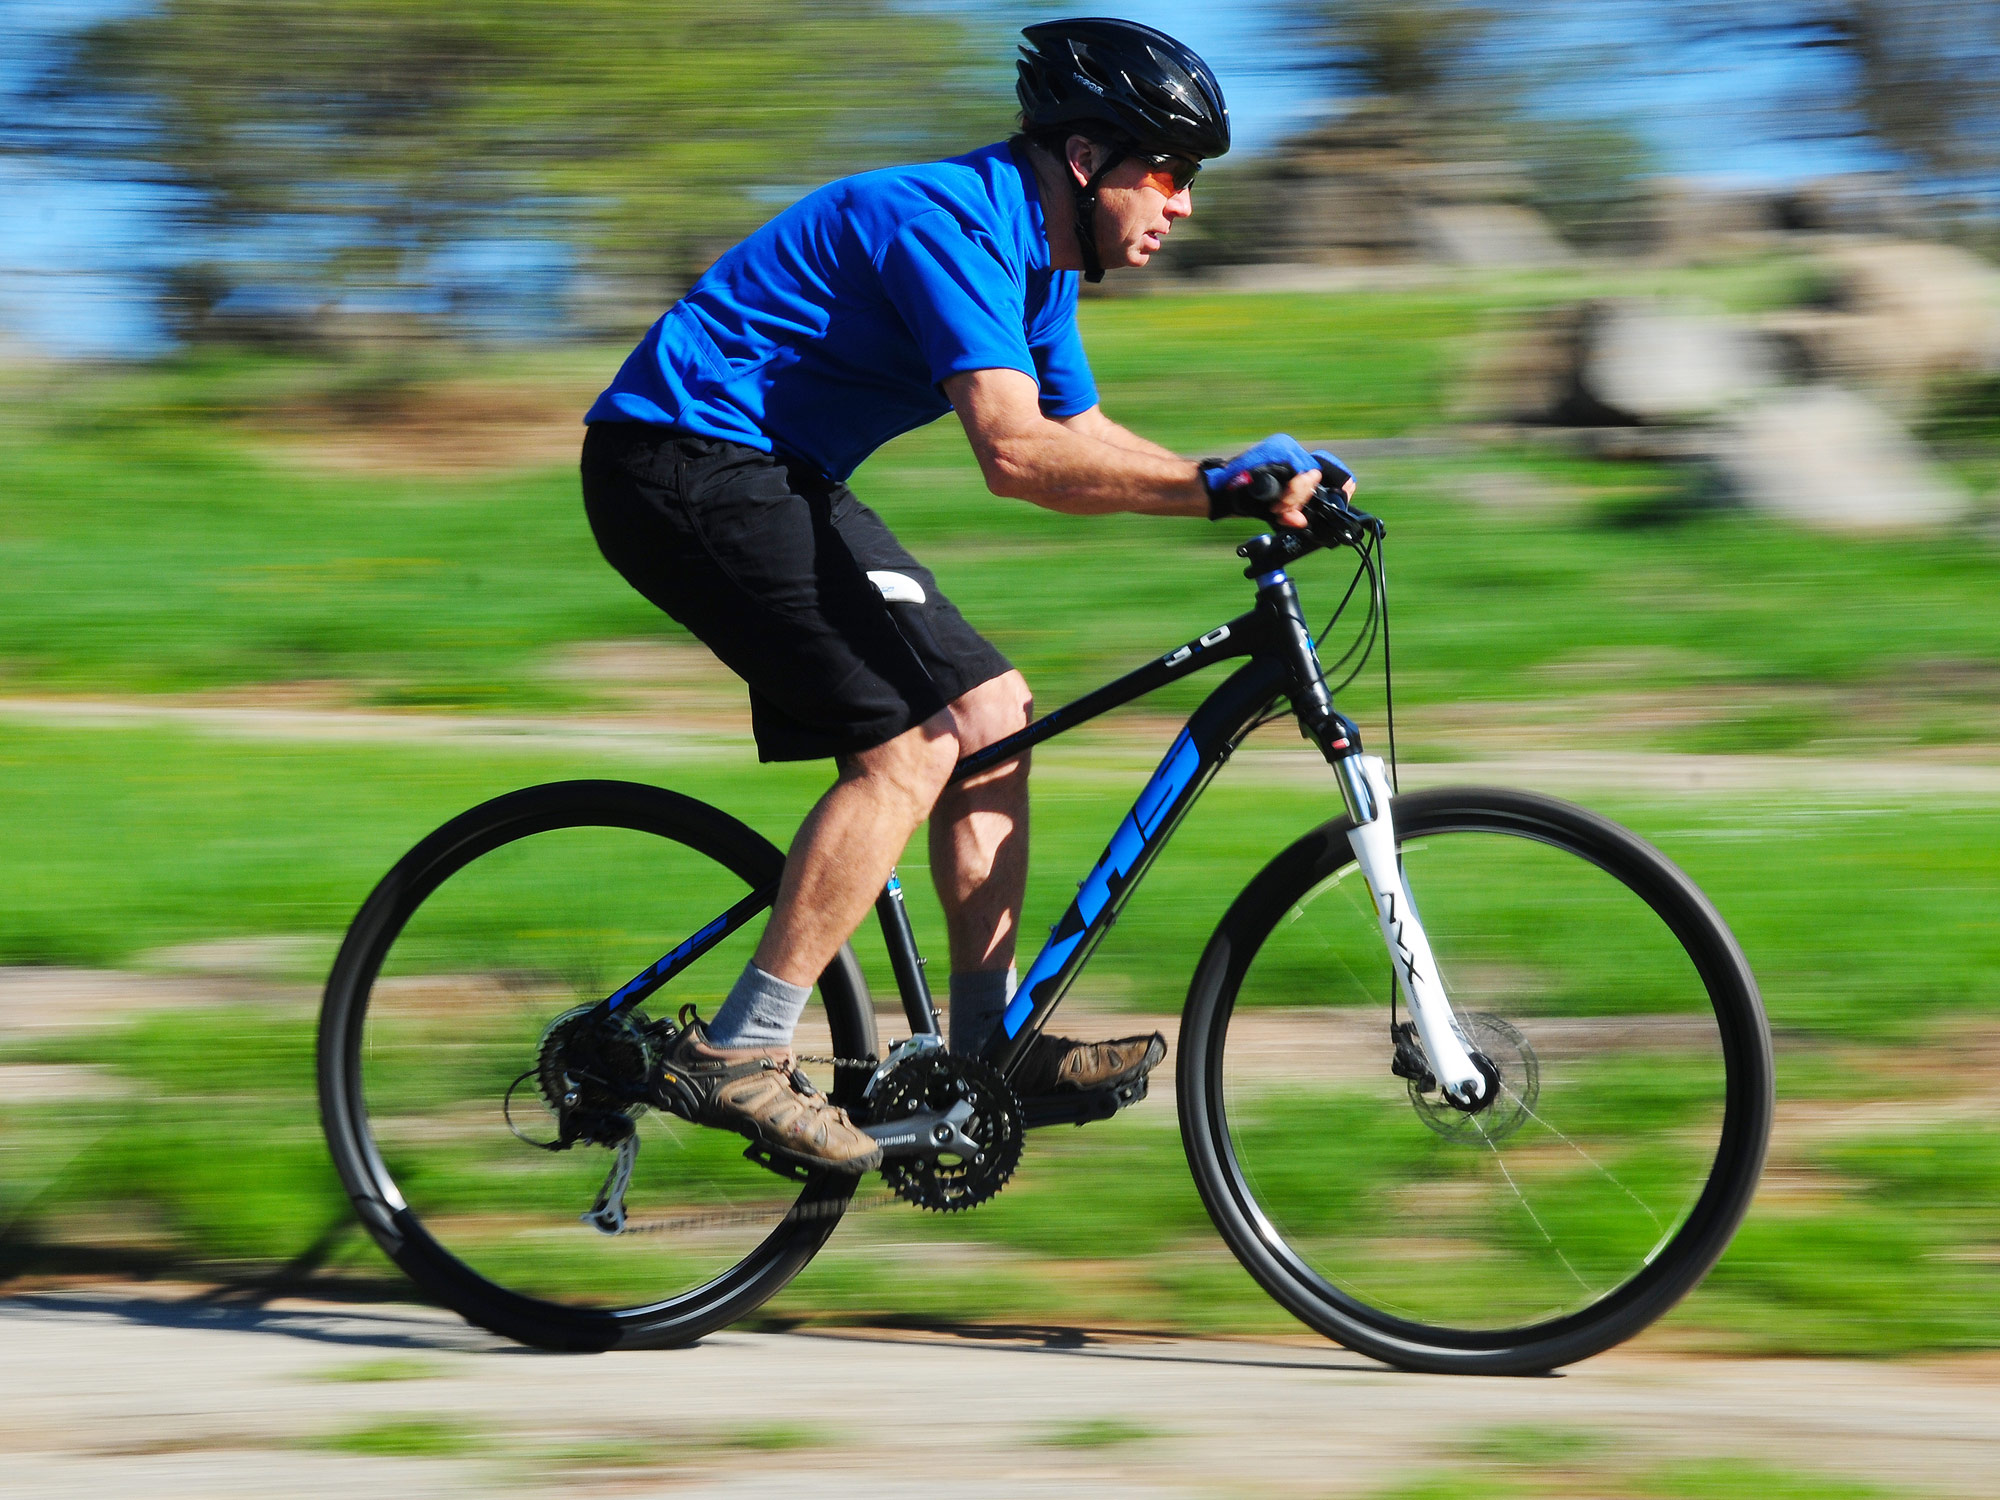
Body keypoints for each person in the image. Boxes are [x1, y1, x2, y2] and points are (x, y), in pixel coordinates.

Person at [579, 18, 1351, 1175]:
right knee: (905, 746)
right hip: (677, 462)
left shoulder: (1038, 260)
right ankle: (742, 1047)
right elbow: (1016, 459)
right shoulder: (950, 223)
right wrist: (1212, 489)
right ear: (1086, 158)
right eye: (1168, 171)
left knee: (992, 712)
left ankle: (989, 1044)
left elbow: (1078, 433)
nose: (1181, 203)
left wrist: (1245, 479)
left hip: (778, 471)